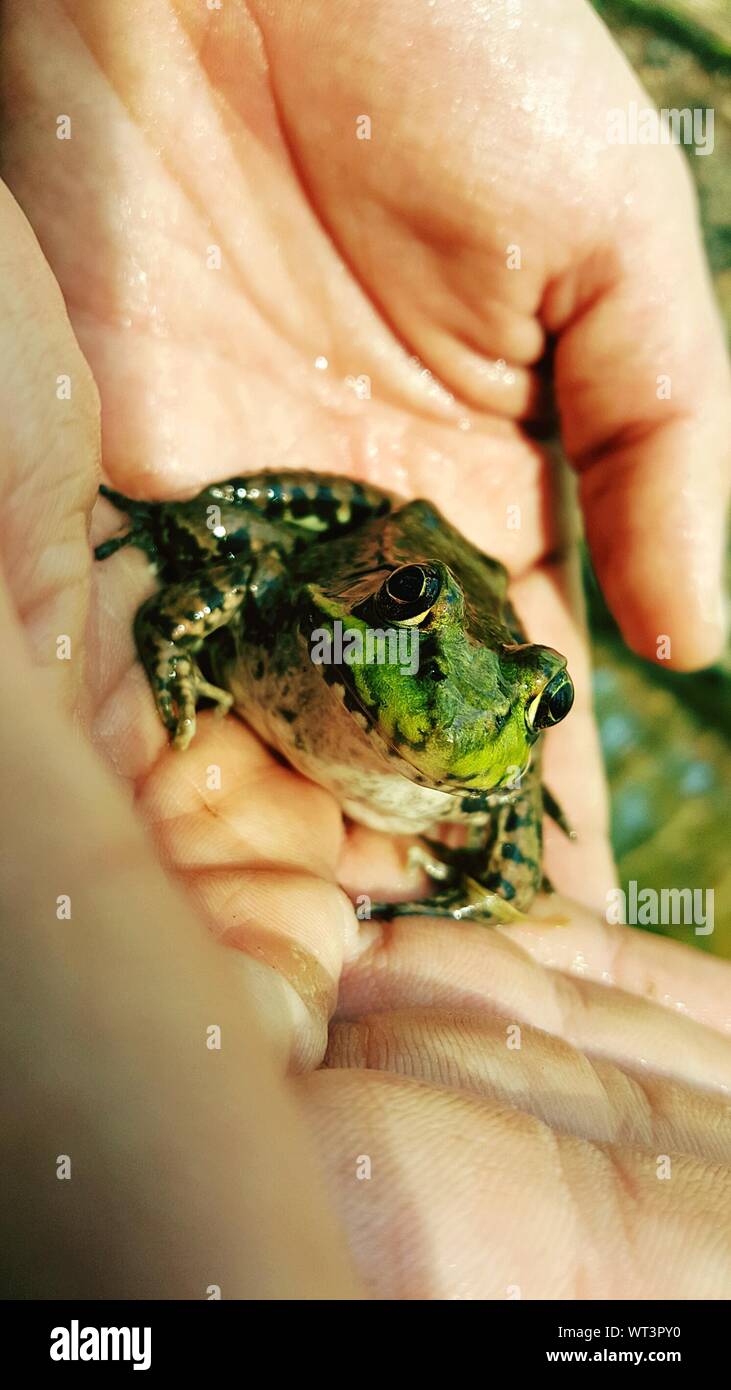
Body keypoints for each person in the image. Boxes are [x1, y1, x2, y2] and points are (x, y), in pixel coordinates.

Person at [1, 0, 729, 1299]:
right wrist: (185, 616)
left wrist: (476, 881)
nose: (489, 713)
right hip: (378, 556)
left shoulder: (496, 744)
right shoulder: (320, 629)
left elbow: (502, 823)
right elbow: (222, 590)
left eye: (540, 703)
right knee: (222, 540)